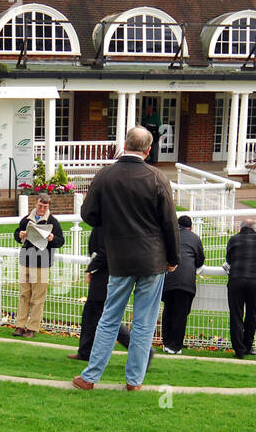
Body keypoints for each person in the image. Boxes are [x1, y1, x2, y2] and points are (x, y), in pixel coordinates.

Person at [72, 126, 178, 391]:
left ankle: (90, 377)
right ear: (148, 149)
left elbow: (88, 215)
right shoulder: (157, 177)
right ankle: (134, 381)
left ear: (124, 144)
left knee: (109, 318)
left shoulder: (106, 175)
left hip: (118, 259)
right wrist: (173, 257)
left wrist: (112, 221)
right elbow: (169, 222)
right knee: (144, 323)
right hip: (153, 259)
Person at [67, 225, 133, 361]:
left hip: (104, 274)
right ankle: (85, 352)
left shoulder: (105, 223)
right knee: (93, 315)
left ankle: (141, 350)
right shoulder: (105, 222)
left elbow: (104, 252)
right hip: (106, 273)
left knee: (102, 315)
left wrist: (90, 268)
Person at [12, 191, 64, 337]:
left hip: (42, 262)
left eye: (45, 207)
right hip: (26, 260)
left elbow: (60, 241)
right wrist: (20, 235)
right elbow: (16, 233)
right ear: (36, 203)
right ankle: (20, 326)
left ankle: (33, 328)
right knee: (24, 295)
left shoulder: (53, 222)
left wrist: (52, 237)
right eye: (40, 206)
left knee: (37, 297)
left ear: (48, 207)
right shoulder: (26, 220)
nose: (42, 209)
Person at [160, 215, 205, 353]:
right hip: (186, 282)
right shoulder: (195, 238)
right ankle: (175, 346)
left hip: (168, 280)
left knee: (168, 311)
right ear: (191, 227)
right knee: (181, 314)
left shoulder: (169, 236)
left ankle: (167, 343)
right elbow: (200, 261)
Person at [224, 219, 256, 358]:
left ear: (240, 228)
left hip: (236, 280)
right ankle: (247, 346)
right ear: (255, 229)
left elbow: (229, 260)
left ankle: (239, 350)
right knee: (252, 315)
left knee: (236, 315)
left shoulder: (234, 239)